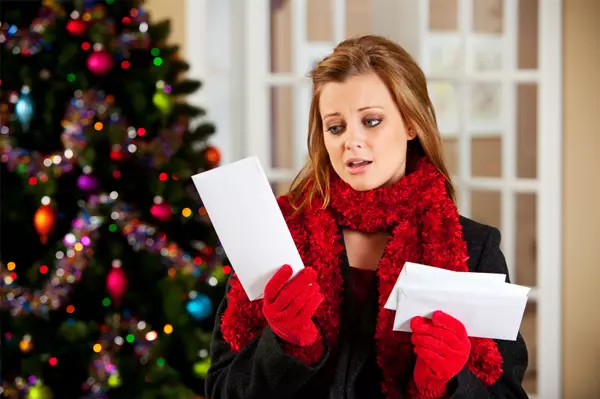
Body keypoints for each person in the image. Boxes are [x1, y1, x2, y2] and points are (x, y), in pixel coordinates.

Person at [204, 35, 529, 399]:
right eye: (336, 127)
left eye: (371, 121)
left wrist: (446, 382)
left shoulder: (475, 248)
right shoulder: (276, 237)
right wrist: (282, 346)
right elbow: (221, 390)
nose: (351, 142)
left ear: (410, 124)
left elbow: (508, 394)